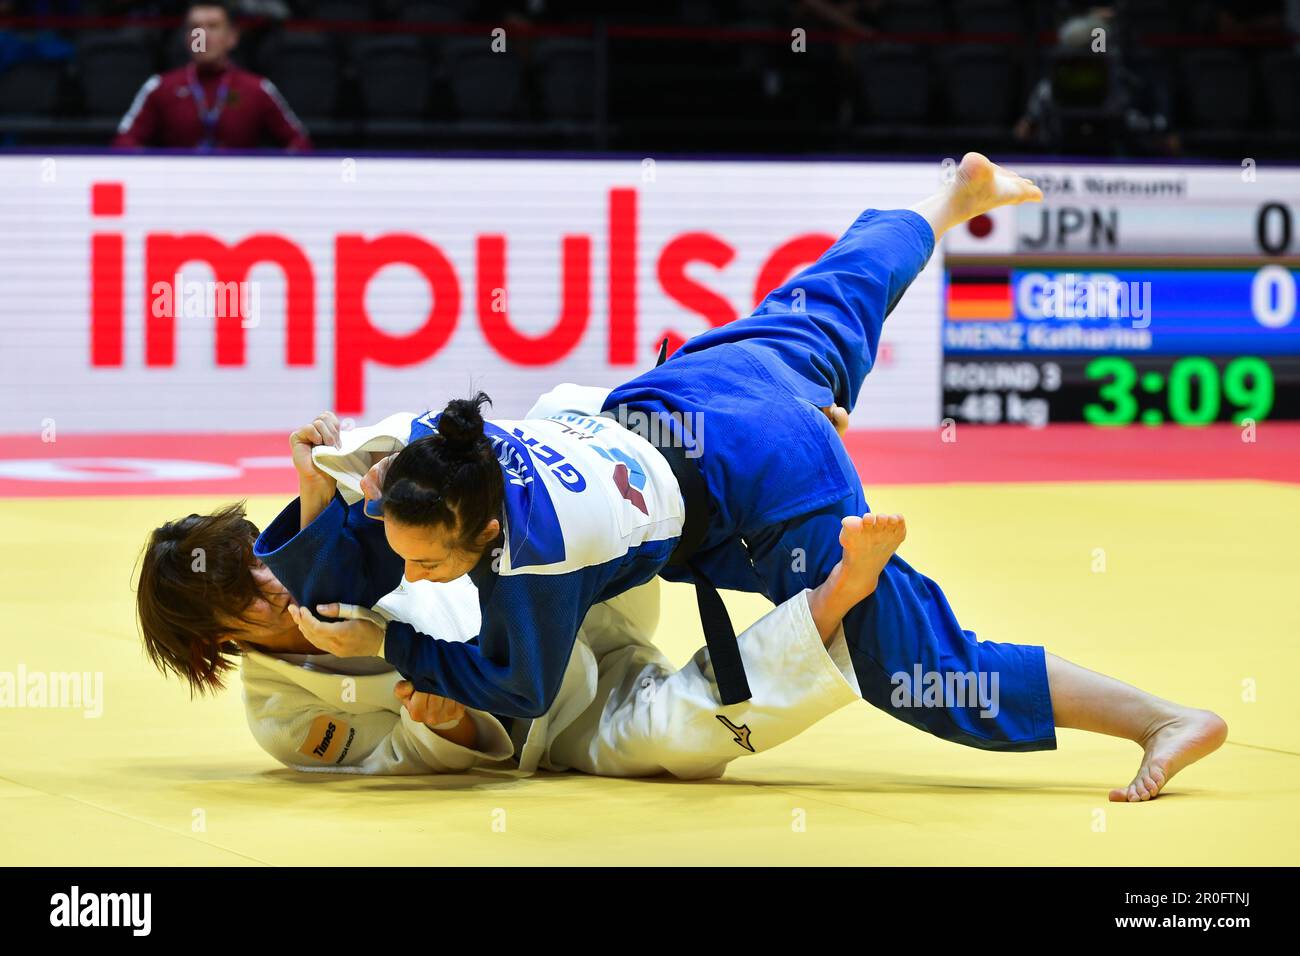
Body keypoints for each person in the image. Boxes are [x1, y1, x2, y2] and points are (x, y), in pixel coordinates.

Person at [260, 154, 1226, 801]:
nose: (421, 579)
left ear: (485, 538)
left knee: (915, 665)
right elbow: (381, 511)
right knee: (829, 302)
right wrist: (330, 486)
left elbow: (519, 692)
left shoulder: (540, 563)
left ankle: (1165, 719)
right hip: (694, 397)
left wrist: (396, 645)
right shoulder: (445, 449)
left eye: (434, 569)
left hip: (762, 493)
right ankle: (949, 197)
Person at [135, 405, 885, 778]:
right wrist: (445, 725)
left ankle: (753, 446)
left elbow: (414, 505)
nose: (269, 585)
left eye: (254, 563)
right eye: (246, 596)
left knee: (557, 426)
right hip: (558, 715)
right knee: (678, 740)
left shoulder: (313, 555)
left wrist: (317, 487)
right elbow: (399, 756)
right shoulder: (283, 718)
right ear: (215, 642)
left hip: (567, 596)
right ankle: (831, 605)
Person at [113, 1, 309, 151]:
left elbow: (299, 143)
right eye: (195, 27)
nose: (202, 36)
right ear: (187, 37)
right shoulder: (160, 87)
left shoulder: (257, 89)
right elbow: (124, 143)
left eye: (213, 26)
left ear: (232, 37)